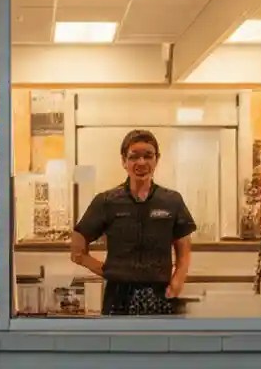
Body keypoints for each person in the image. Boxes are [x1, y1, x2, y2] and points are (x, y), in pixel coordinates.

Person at [70, 129, 196, 315]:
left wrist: (178, 279)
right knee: (118, 344)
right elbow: (77, 248)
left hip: (160, 295)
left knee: (160, 345)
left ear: (157, 159)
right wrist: (107, 271)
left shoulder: (172, 201)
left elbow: (183, 249)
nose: (141, 162)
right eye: (134, 157)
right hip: (118, 297)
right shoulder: (107, 201)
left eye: (148, 156)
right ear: (124, 161)